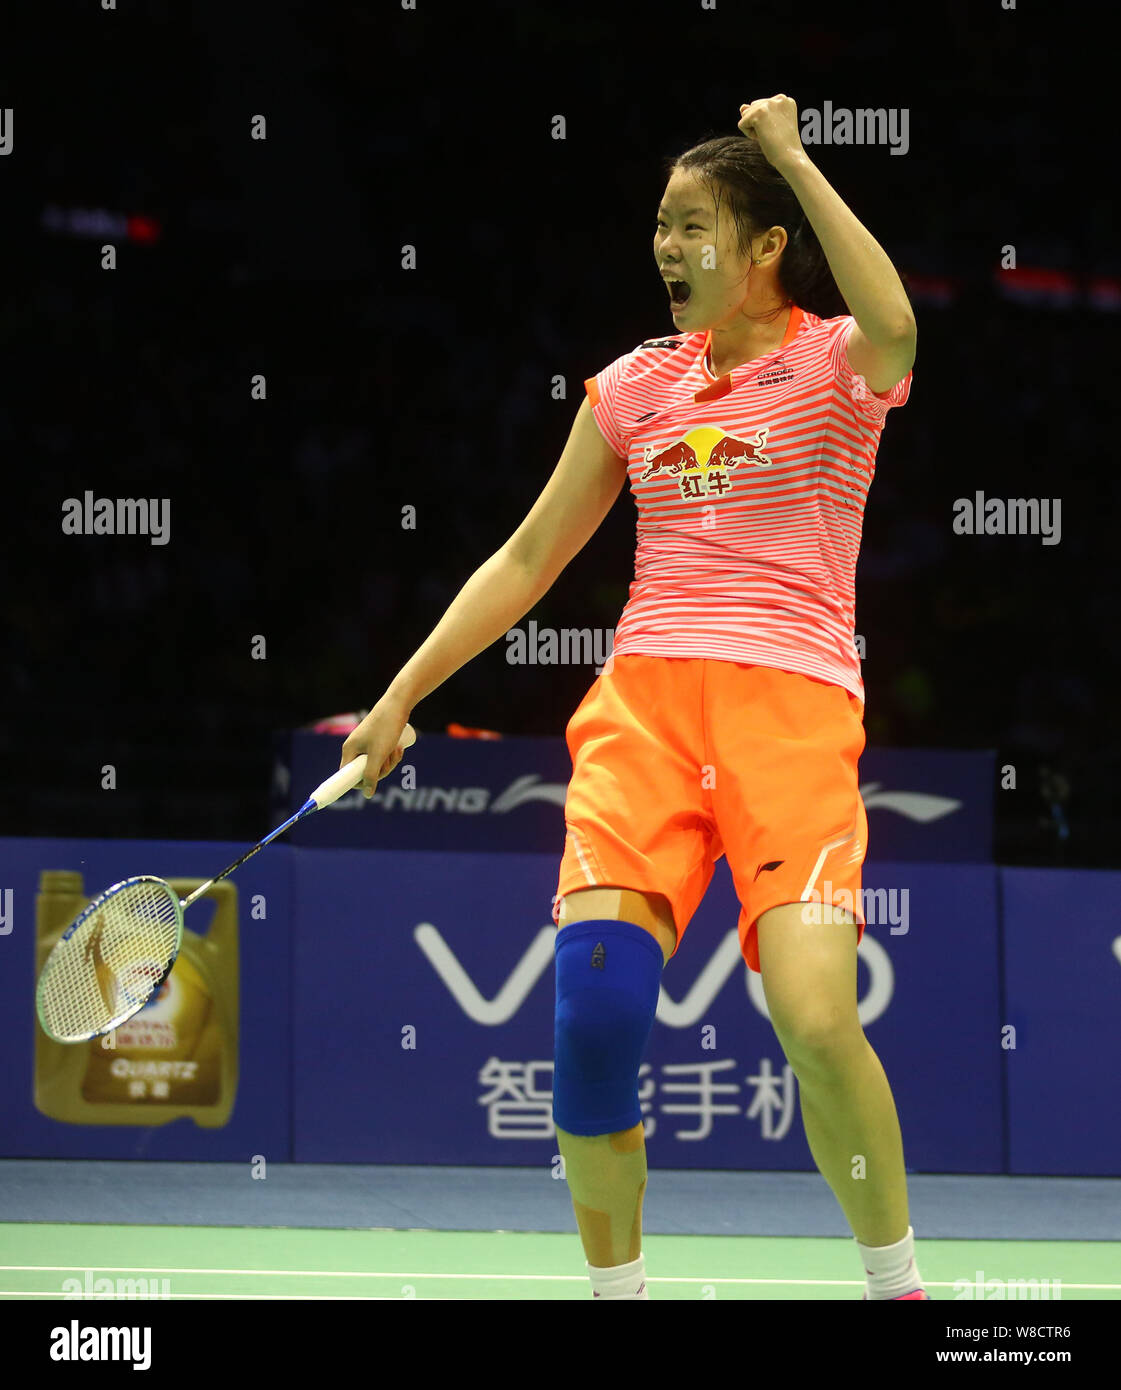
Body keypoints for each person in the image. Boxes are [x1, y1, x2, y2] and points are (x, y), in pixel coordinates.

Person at [342, 95, 925, 1301]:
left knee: (814, 1019)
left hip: (789, 708)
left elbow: (896, 318)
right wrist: (399, 697)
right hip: (644, 711)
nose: (664, 246)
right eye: (657, 225)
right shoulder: (629, 389)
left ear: (764, 246)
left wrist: (792, 158)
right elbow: (524, 560)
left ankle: (895, 1286)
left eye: (692, 225)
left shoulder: (834, 362)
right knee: (594, 1021)